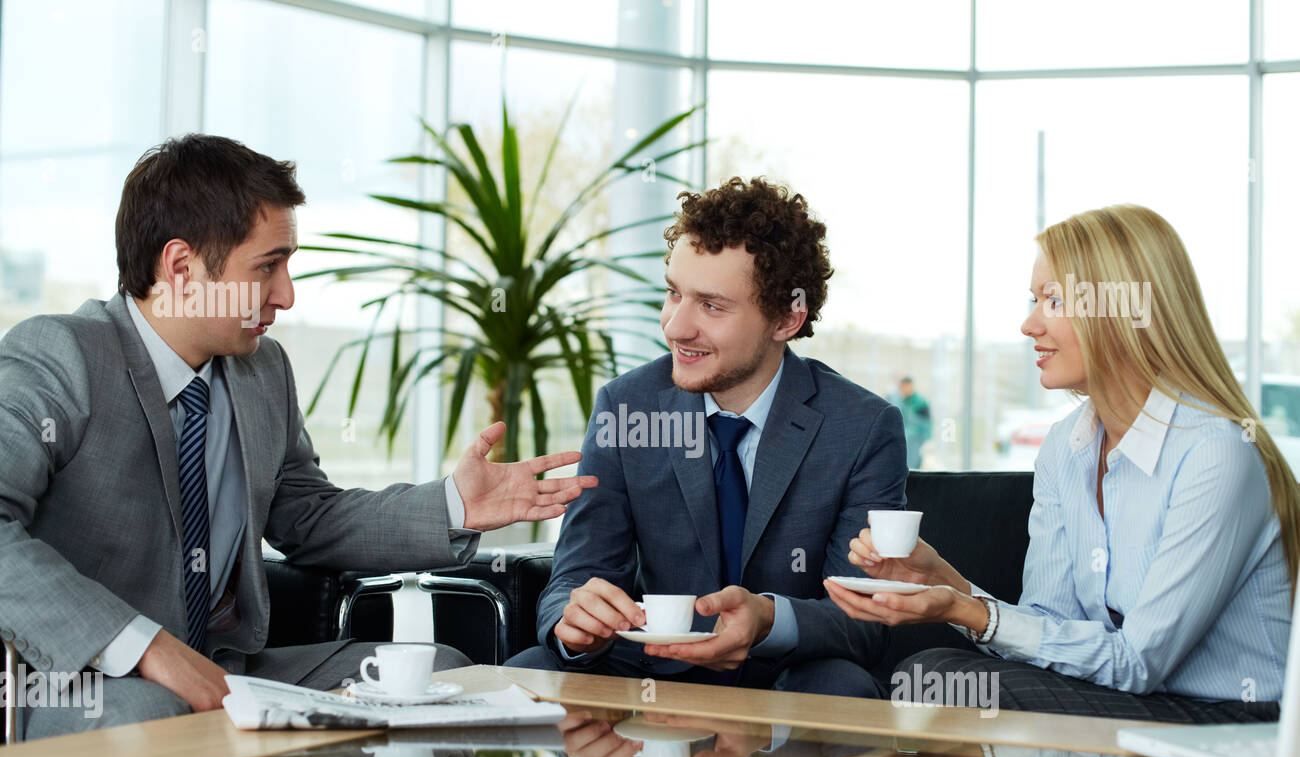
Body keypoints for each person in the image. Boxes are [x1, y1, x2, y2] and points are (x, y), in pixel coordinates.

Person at [0, 134, 596, 740]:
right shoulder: (61, 356)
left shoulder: (262, 371)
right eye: (268, 266)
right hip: (80, 680)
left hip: (228, 668)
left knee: (441, 675)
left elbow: (307, 518)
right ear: (181, 267)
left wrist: (454, 504)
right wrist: (147, 648)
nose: (286, 294)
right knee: (151, 715)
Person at [826, 204, 1296, 722]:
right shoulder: (1066, 447)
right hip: (1133, 699)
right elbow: (1049, 626)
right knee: (929, 674)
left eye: (1054, 300)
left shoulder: (1214, 453)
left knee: (940, 680)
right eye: (1035, 300)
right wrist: (943, 580)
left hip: (1227, 717)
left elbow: (1138, 663)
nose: (1029, 324)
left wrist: (963, 609)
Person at [506, 176, 907, 697]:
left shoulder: (861, 427)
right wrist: (574, 622)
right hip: (643, 668)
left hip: (786, 676)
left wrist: (767, 620)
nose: (675, 326)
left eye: (712, 306)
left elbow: (862, 618)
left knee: (841, 684)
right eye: (674, 294)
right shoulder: (626, 406)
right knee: (530, 669)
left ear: (788, 317)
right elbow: (576, 574)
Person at [889, 376, 931, 469]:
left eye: (906, 387)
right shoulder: (900, 400)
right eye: (902, 387)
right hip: (905, 438)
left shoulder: (920, 402)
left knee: (912, 463)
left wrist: (927, 439)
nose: (903, 390)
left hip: (916, 438)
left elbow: (926, 424)